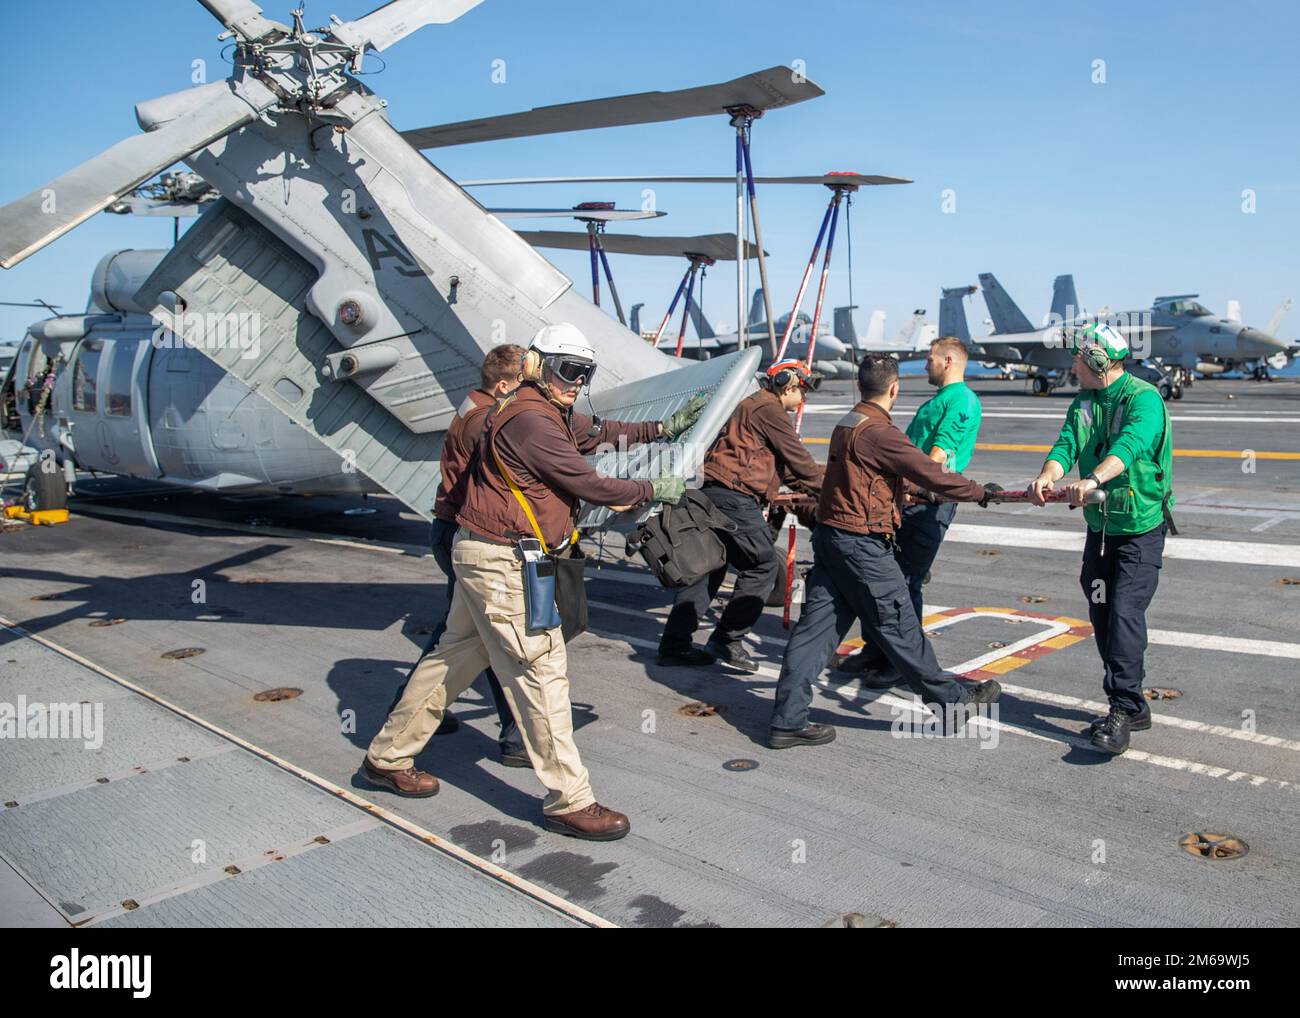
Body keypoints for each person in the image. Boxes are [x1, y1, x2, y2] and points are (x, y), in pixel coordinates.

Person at [362, 323, 703, 840]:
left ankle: (386, 758)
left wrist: (663, 429)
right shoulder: (531, 421)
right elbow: (587, 481)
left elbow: (600, 431)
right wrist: (652, 486)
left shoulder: (544, 410)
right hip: (503, 561)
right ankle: (570, 799)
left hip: (491, 555)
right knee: (541, 672)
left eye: (584, 373)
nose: (576, 382)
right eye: (568, 371)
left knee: (450, 661)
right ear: (538, 367)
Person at [768, 354, 1002, 749]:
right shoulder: (881, 431)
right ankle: (953, 702)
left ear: (861, 386)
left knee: (813, 636)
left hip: (831, 538)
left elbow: (871, 478)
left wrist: (911, 490)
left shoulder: (850, 422)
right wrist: (980, 492)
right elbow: (931, 470)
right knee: (901, 626)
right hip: (862, 545)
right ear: (894, 389)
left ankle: (787, 720)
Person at [1028, 322, 1175, 755]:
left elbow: (1129, 447)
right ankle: (1132, 703)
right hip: (1102, 529)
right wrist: (1048, 473)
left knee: (1125, 612)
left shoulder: (1144, 399)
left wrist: (1091, 478)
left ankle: (1123, 706)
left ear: (1096, 361)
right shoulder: (1084, 403)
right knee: (1102, 611)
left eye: (1078, 358)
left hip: (1140, 530)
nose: (1072, 364)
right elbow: (1067, 443)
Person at [657, 359, 824, 672]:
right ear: (788, 384)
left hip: (714, 494)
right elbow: (800, 463)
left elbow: (789, 470)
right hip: (734, 498)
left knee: (710, 568)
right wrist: (830, 493)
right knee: (761, 565)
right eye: (802, 390)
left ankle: (674, 645)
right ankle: (727, 639)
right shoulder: (769, 409)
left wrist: (813, 485)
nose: (803, 398)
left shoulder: (755, 407)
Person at [407, 343, 527, 766]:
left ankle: (417, 711)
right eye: (523, 384)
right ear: (503, 384)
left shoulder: (473, 404)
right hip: (467, 532)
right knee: (498, 636)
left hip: (449, 527)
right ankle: (515, 739)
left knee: (461, 634)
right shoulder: (485, 421)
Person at [841, 336, 982, 685]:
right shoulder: (937, 401)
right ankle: (876, 651)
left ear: (948, 362)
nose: (925, 365)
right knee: (888, 581)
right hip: (909, 502)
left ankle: (899, 664)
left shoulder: (961, 400)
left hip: (929, 505)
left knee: (905, 583)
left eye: (931, 358)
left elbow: (938, 457)